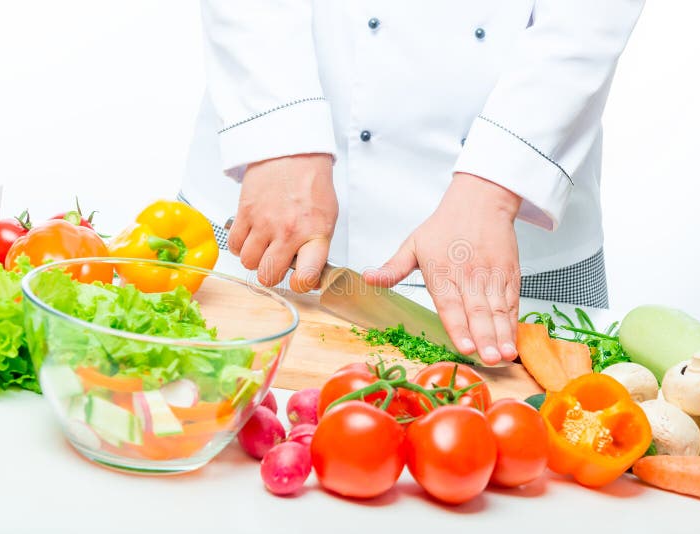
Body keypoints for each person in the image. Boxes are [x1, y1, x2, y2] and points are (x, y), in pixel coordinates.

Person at [180, 1, 645, 366]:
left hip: (515, 237)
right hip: (267, 203)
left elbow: (590, 13)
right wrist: (280, 135)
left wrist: (497, 182)